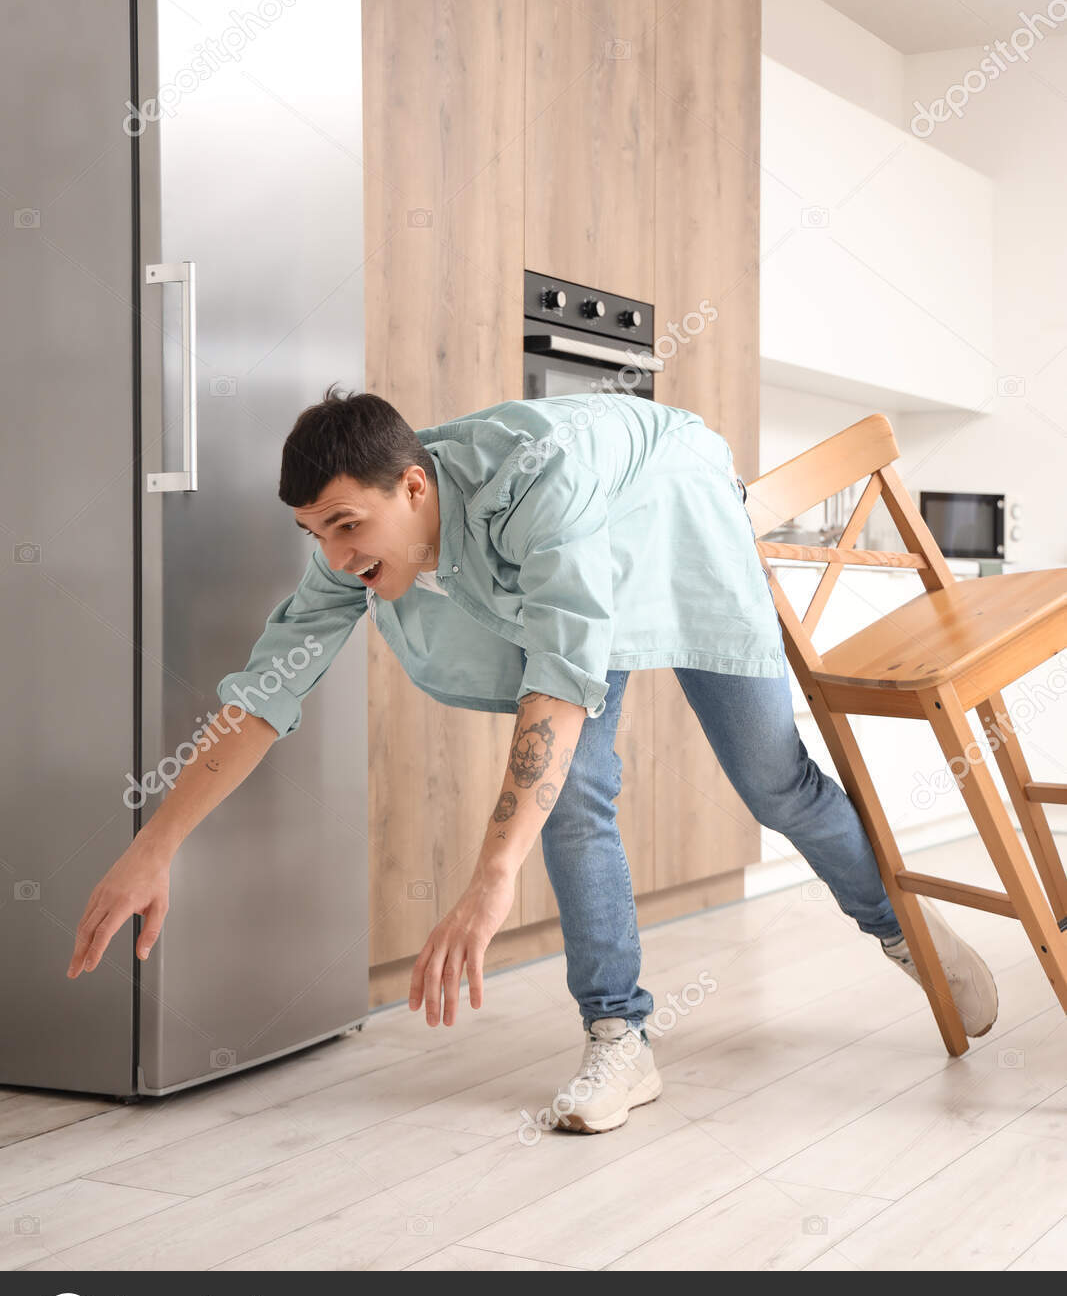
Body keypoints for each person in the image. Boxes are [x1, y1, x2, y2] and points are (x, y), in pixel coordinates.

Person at [67, 385, 998, 1134]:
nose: (334, 552)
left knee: (773, 785)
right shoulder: (351, 537)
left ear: (414, 489)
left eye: (347, 526)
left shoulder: (535, 489)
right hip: (581, 552)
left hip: (674, 519)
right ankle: (618, 1037)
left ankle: (897, 930)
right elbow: (266, 690)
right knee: (576, 794)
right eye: (315, 533)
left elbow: (556, 681)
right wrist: (155, 845)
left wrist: (490, 877)